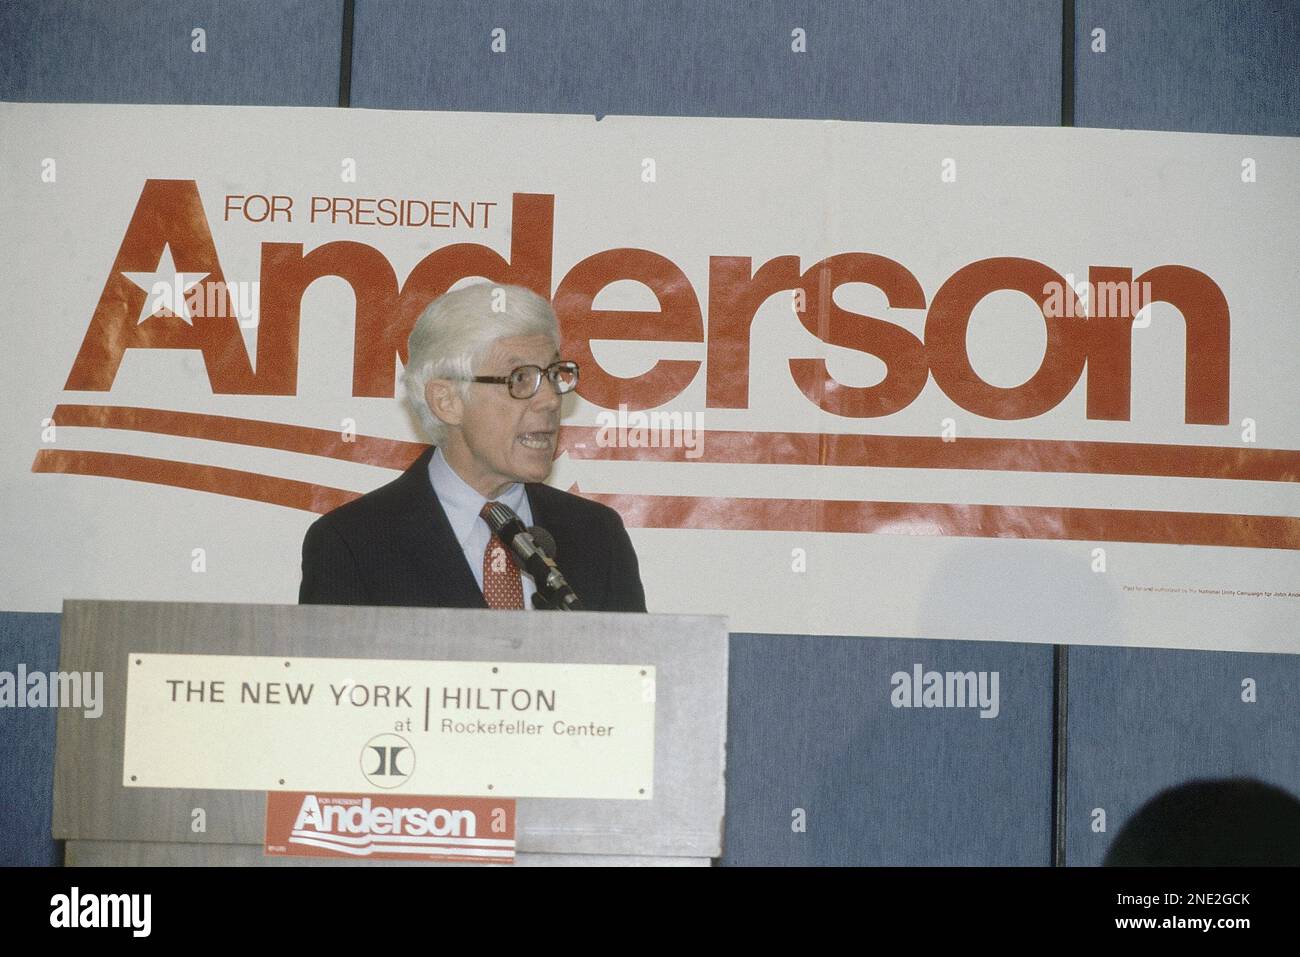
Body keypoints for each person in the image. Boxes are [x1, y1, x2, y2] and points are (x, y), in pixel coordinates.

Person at [298, 282, 646, 612]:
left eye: (554, 375)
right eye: (521, 378)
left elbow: (636, 672)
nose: (550, 400)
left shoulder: (598, 537)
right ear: (446, 401)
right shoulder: (352, 545)